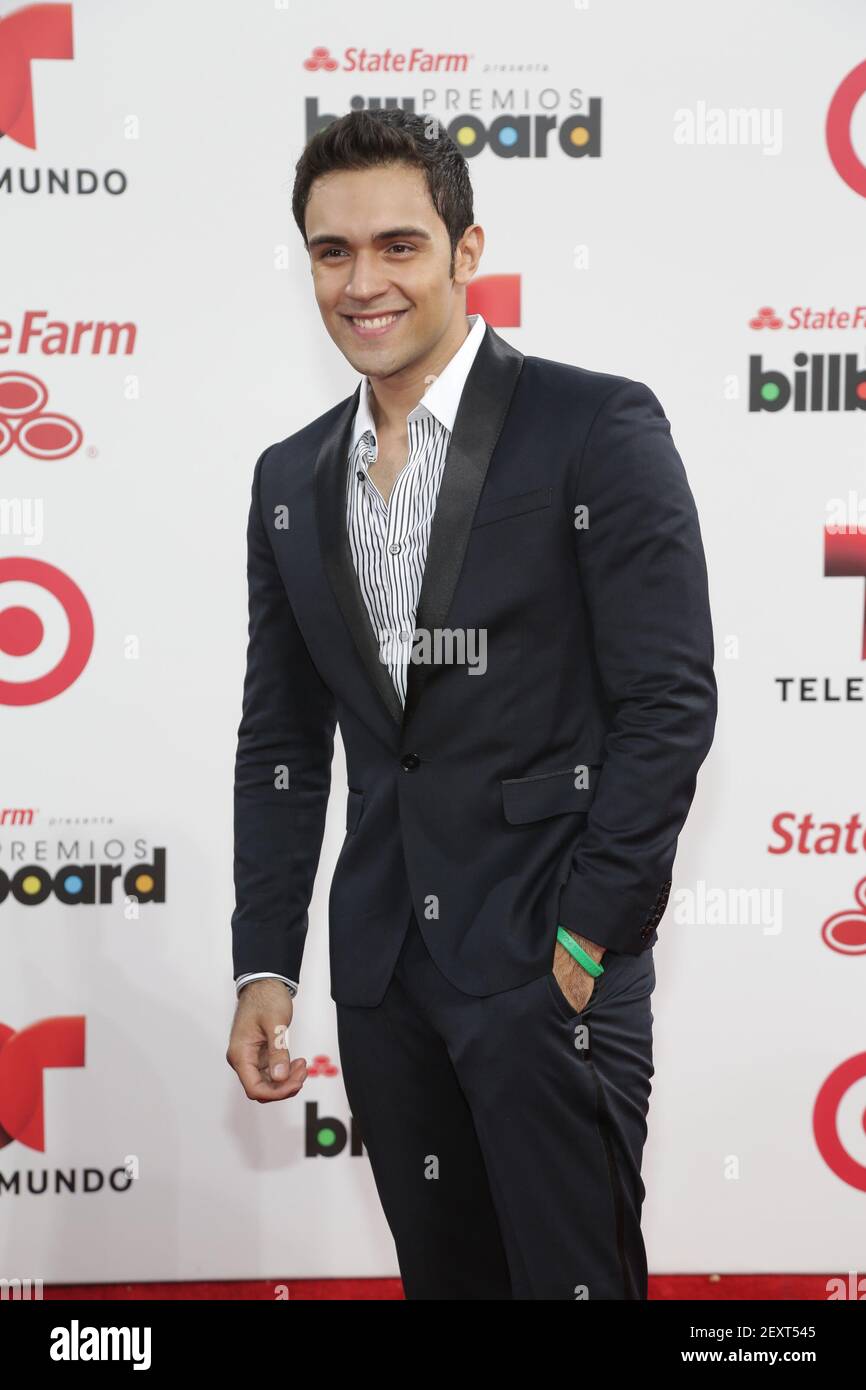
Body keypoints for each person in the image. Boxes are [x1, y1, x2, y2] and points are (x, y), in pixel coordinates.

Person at [225, 106, 717, 1300]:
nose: (362, 281)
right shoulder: (289, 476)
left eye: (397, 244)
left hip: (547, 965)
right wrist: (264, 968)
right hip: (385, 974)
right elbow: (284, 739)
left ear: (465, 249)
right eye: (331, 252)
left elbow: (668, 700)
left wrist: (585, 937)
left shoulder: (591, 425)